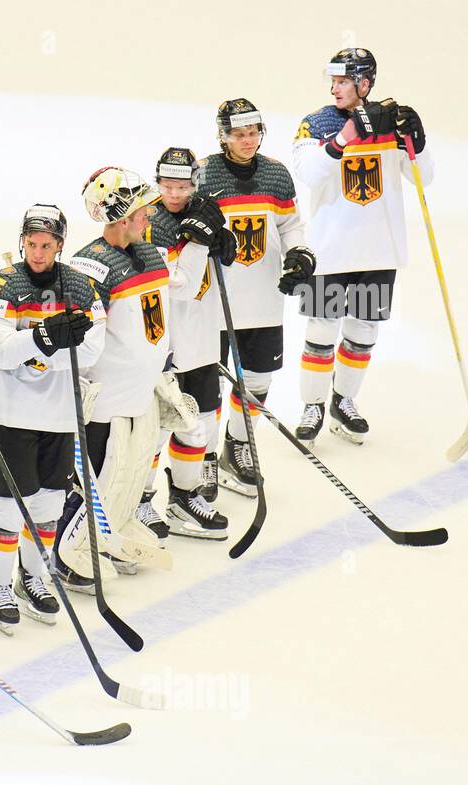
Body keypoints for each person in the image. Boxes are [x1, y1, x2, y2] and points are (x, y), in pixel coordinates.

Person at [292, 47, 434, 444]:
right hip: (328, 250)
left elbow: (425, 178)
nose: (335, 88)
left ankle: (343, 401)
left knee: (363, 332)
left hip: (378, 249)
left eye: (343, 81)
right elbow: (309, 174)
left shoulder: (393, 122)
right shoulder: (316, 123)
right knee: (321, 331)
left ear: (365, 83)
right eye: (333, 81)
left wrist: (416, 142)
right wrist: (345, 136)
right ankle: (312, 405)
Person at [0, 205, 104, 633]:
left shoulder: (81, 286)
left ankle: (32, 576)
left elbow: (91, 352)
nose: (37, 252)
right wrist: (47, 337)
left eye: (46, 245)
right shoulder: (4, 282)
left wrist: (32, 349)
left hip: (58, 415)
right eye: (30, 244)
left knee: (48, 506)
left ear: (60, 245)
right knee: (9, 508)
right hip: (10, 415)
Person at [55, 167, 173, 584]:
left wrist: (165, 363)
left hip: (139, 391)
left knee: (130, 471)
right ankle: (68, 555)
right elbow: (80, 334)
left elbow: (156, 317)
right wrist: (76, 385)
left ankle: (111, 535)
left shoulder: (151, 254)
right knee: (95, 479)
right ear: (122, 216)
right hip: (103, 397)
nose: (149, 218)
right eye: (142, 211)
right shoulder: (91, 265)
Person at [198, 98, 315, 497]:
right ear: (223, 135)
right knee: (206, 388)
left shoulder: (277, 175)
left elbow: (289, 224)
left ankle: (239, 443)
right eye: (238, 134)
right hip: (213, 303)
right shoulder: (203, 175)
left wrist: (298, 253)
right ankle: (205, 454)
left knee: (259, 380)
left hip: (264, 298)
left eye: (253, 133)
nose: (248, 141)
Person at [145, 147, 233, 539]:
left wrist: (220, 239)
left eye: (183, 185)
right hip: (162, 346)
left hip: (201, 342)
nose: (175, 193)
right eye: (168, 185)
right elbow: (175, 287)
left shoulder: (206, 212)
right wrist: (199, 242)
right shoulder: (150, 223)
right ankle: (142, 501)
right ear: (157, 182)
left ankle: (183, 498)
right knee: (157, 429)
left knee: (196, 424)